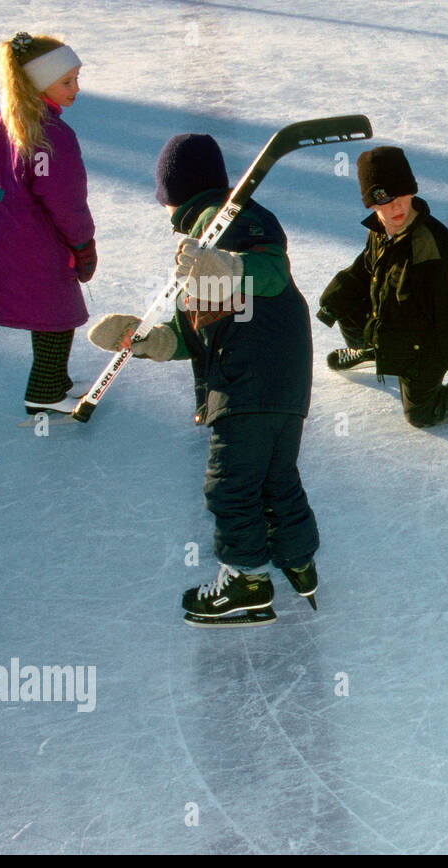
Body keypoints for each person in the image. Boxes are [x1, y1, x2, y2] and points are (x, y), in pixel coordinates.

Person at [87, 133, 319, 626]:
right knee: (276, 478)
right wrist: (150, 340)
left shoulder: (232, 219)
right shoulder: (203, 244)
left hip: (246, 381)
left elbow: (270, 272)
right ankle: (299, 561)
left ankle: (247, 581)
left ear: (171, 192)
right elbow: (203, 328)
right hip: (283, 379)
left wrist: (228, 266)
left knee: (230, 486)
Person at [316, 145, 448, 428]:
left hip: (425, 344)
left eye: (402, 195)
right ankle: (375, 351)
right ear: (372, 204)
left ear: (412, 192)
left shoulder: (432, 248)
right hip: (394, 323)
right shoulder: (380, 229)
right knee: (346, 298)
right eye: (386, 199)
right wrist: (335, 297)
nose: (397, 207)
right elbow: (368, 266)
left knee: (420, 415)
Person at [0, 31, 96, 416]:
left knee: (47, 306)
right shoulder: (51, 135)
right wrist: (83, 244)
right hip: (36, 242)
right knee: (57, 311)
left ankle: (57, 380)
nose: (76, 88)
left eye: (76, 78)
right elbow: (66, 202)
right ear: (39, 83)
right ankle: (45, 391)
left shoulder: (7, 121)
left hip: (5, 236)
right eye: (66, 81)